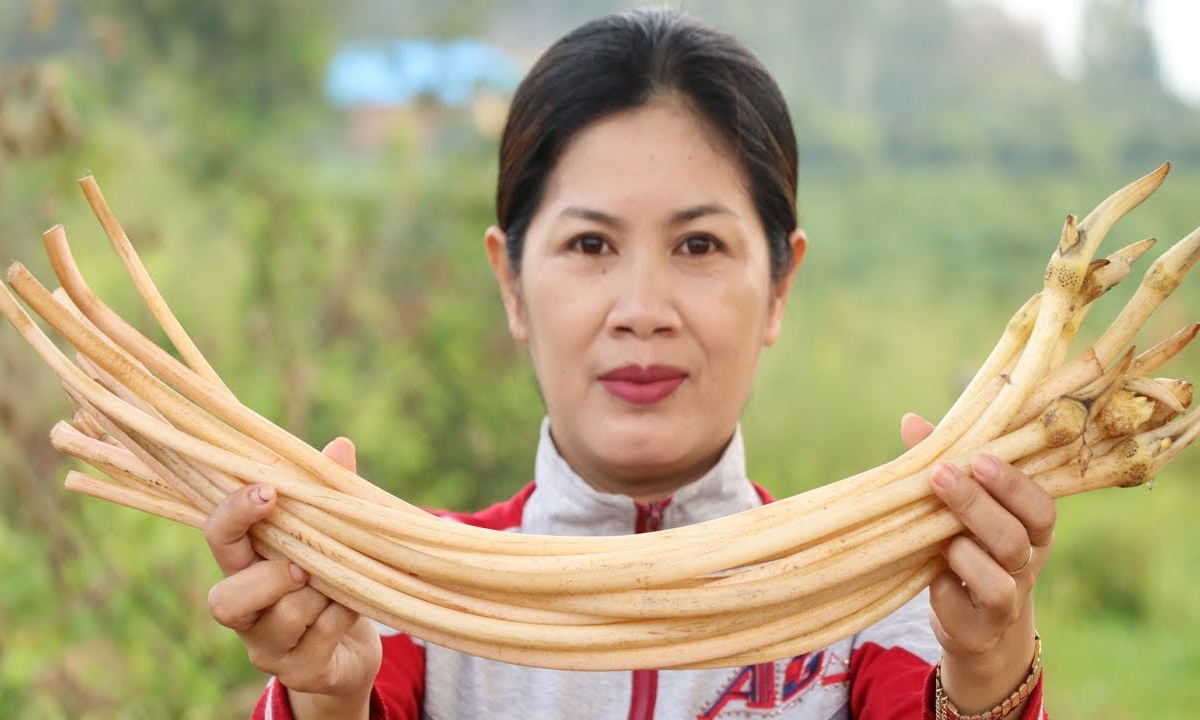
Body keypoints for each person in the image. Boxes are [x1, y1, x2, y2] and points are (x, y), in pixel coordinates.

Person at [204, 8, 1054, 719]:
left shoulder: (881, 605)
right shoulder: (405, 600)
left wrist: (988, 672)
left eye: (699, 244)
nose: (642, 310)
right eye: (588, 243)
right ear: (510, 282)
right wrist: (323, 696)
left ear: (781, 284)